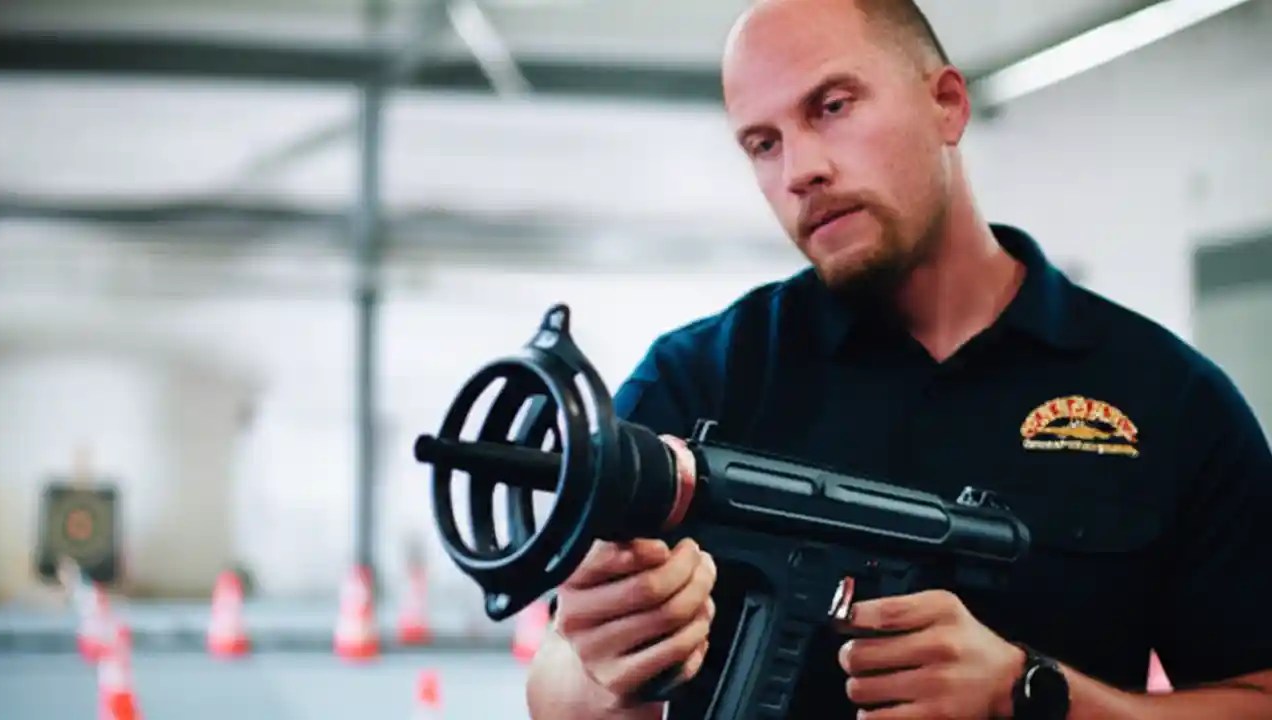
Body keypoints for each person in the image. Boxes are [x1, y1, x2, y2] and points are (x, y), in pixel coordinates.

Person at [523, 0, 1272, 717]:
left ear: (947, 103)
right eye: (763, 142)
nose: (798, 171)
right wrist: (601, 671)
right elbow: (559, 675)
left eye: (832, 106)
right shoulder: (698, 378)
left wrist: (1029, 693)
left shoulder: (1168, 399)